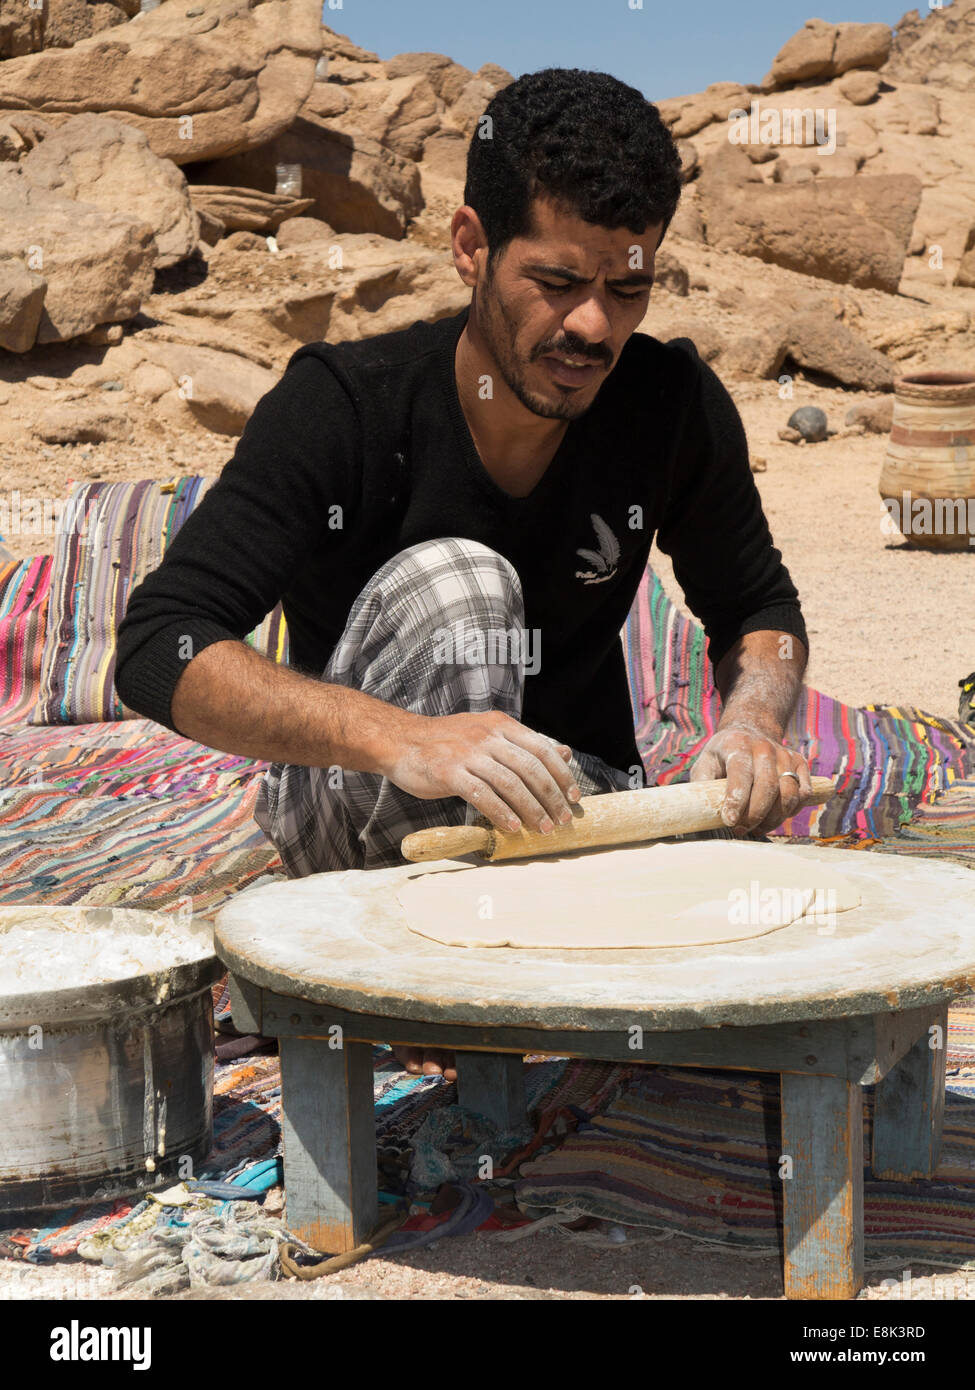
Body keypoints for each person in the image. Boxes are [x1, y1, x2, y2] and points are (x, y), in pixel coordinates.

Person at [115, 68, 811, 1080]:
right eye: (558, 284)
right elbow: (161, 643)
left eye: (628, 289)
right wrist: (409, 741)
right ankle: (456, 1009)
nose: (593, 328)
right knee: (460, 589)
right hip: (363, 813)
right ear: (470, 247)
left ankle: (510, 993)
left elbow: (760, 611)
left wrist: (754, 721)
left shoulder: (670, 404)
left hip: (576, 816)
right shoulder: (343, 406)